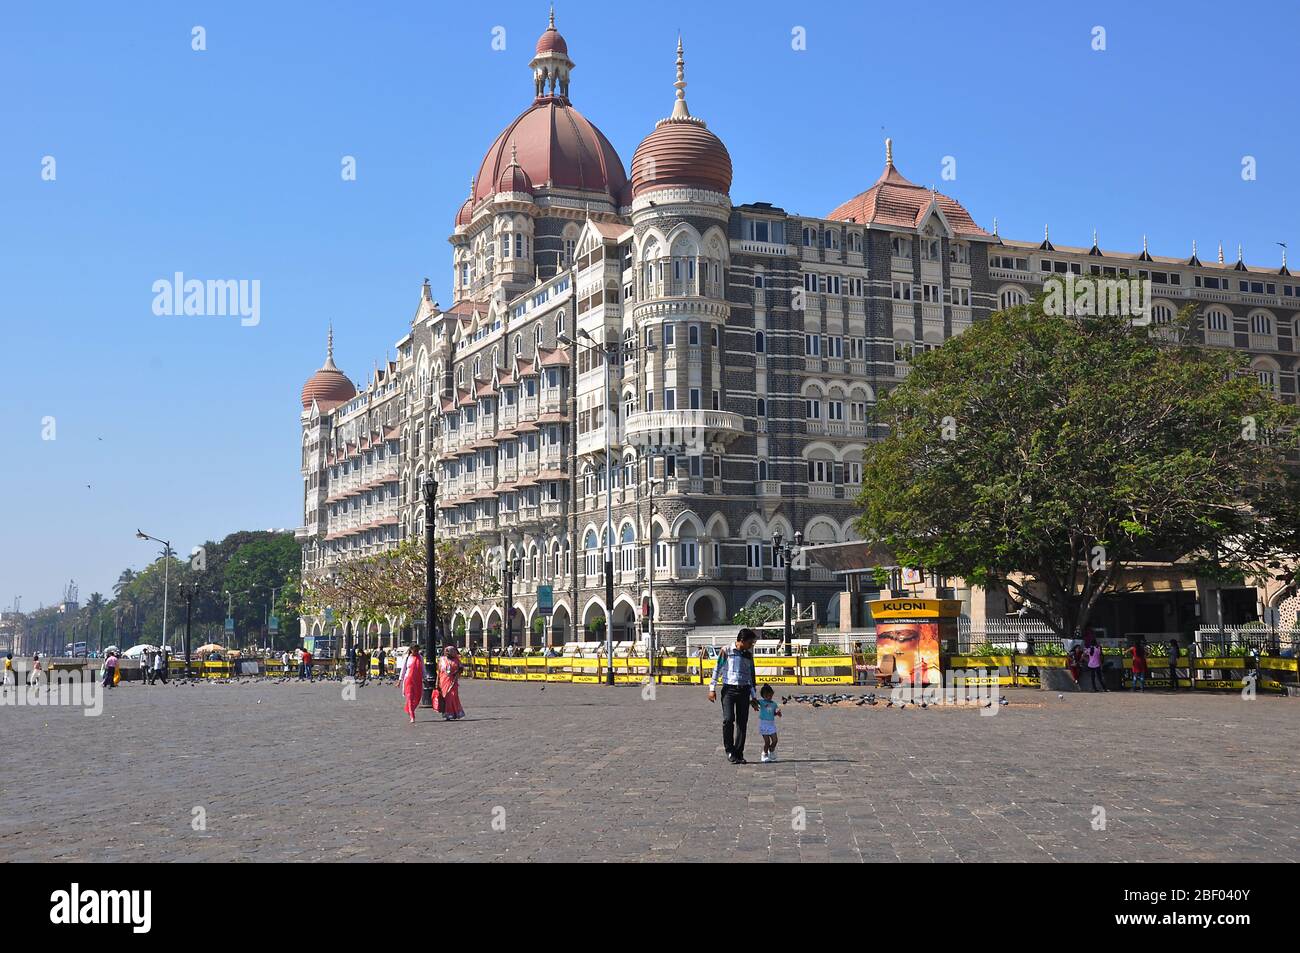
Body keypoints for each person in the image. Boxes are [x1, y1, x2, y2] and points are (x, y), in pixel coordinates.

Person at [708, 628, 760, 764]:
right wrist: (712, 688)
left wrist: (753, 697)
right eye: (750, 642)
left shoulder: (748, 655)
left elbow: (751, 677)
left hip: (744, 691)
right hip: (729, 690)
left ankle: (738, 753)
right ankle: (729, 750)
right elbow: (717, 668)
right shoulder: (726, 650)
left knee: (742, 723)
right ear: (742, 640)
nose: (751, 645)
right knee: (728, 719)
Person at [439, 645, 466, 721]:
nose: (447, 653)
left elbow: (461, 669)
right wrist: (437, 682)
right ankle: (447, 713)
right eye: (446, 651)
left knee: (453, 696)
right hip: (443, 680)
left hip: (453, 681)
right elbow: (439, 670)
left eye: (450, 651)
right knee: (445, 697)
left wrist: (456, 673)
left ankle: (453, 713)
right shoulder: (442, 659)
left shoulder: (456, 660)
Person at [757, 684, 782, 763]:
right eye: (767, 696)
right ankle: (764, 754)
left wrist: (778, 713)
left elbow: (774, 713)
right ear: (763, 695)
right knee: (767, 742)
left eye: (770, 695)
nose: (769, 697)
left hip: (771, 724)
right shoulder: (761, 702)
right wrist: (754, 703)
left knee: (775, 740)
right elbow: (753, 702)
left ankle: (771, 750)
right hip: (763, 724)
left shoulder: (774, 704)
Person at [402, 645, 424, 724]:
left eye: (417, 651)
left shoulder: (420, 658)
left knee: (417, 698)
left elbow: (423, 669)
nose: (416, 652)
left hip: (418, 680)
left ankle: (409, 709)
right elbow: (403, 669)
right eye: (415, 651)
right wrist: (400, 680)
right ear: (411, 650)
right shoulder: (407, 658)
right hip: (409, 680)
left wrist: (425, 678)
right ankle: (412, 716)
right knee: (410, 698)